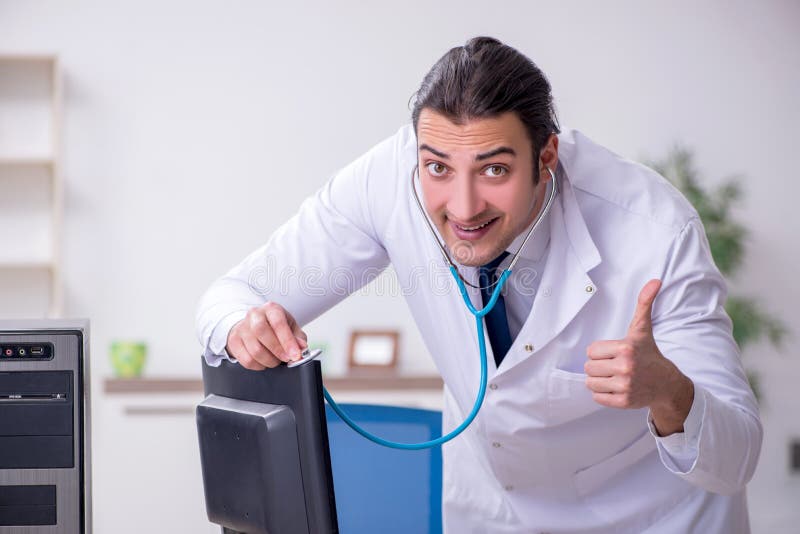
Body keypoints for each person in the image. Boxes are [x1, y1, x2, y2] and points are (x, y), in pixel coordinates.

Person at [195, 36, 762, 533]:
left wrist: (670, 392)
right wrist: (243, 328)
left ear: (546, 158)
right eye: (437, 168)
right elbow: (228, 296)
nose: (463, 208)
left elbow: (737, 457)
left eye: (495, 170)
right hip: (492, 513)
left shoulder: (656, 229)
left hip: (651, 520)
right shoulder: (390, 180)